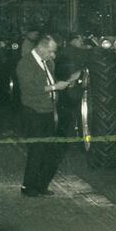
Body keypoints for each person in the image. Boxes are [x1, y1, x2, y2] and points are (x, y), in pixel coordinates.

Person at [16, 33, 76, 196]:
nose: (53, 55)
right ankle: (28, 187)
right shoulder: (25, 63)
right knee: (36, 150)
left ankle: (41, 185)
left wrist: (64, 84)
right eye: (51, 51)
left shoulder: (48, 63)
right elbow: (30, 89)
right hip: (34, 112)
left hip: (48, 111)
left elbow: (51, 82)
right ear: (42, 48)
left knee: (49, 150)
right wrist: (56, 87)